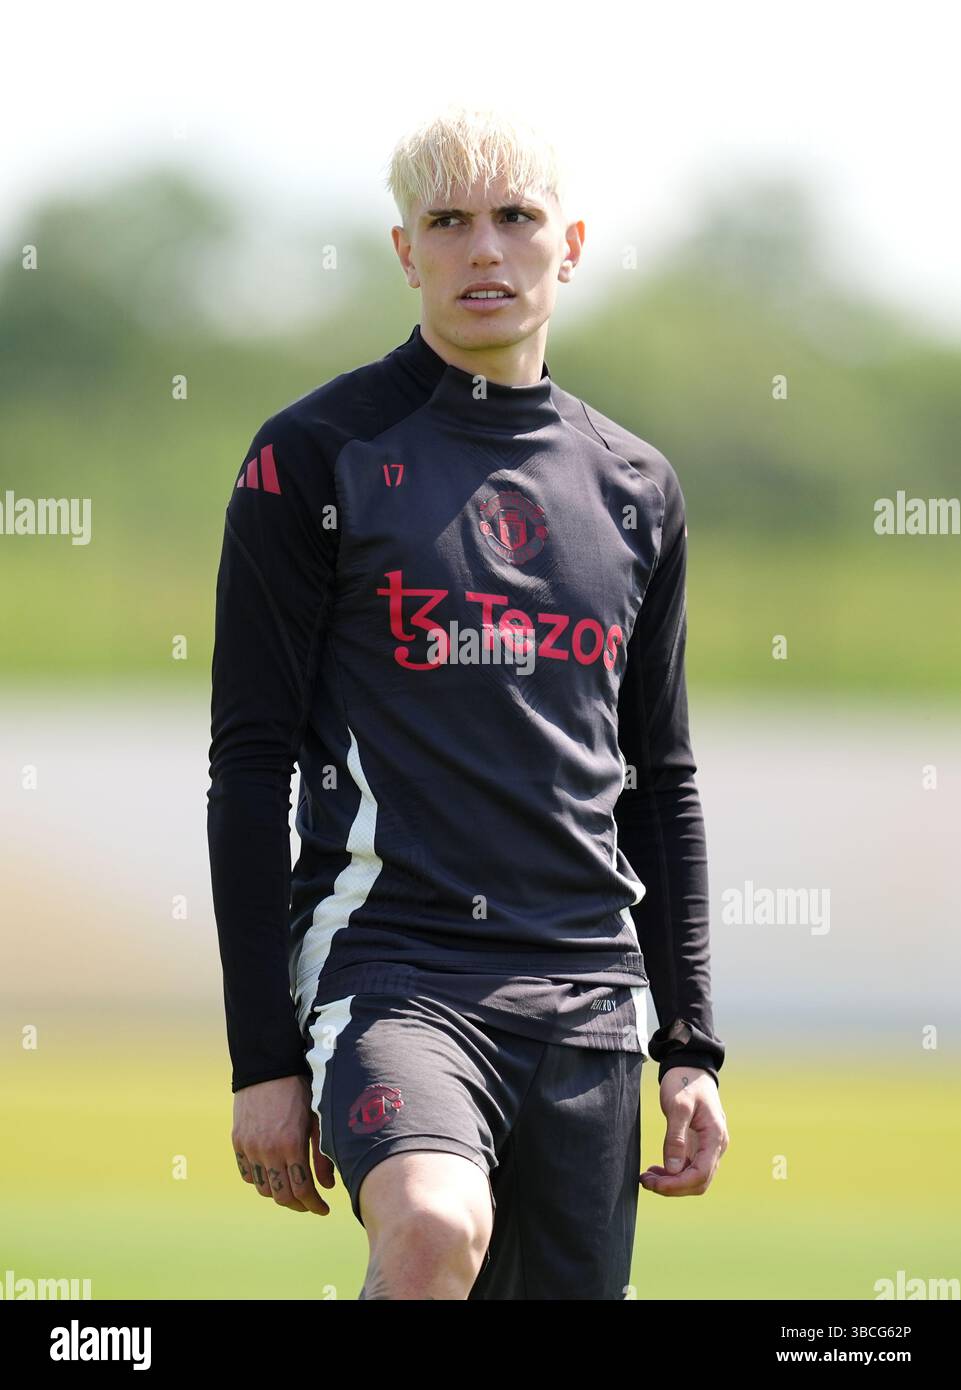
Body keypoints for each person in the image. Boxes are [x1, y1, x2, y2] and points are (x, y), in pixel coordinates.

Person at [206, 104, 729, 1301]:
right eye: (447, 222)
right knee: (434, 1229)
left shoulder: (637, 485)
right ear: (406, 251)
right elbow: (248, 769)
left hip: (588, 995)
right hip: (395, 969)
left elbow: (662, 782)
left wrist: (688, 1045)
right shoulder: (312, 455)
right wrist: (262, 1057)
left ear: (572, 243)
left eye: (515, 219)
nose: (483, 250)